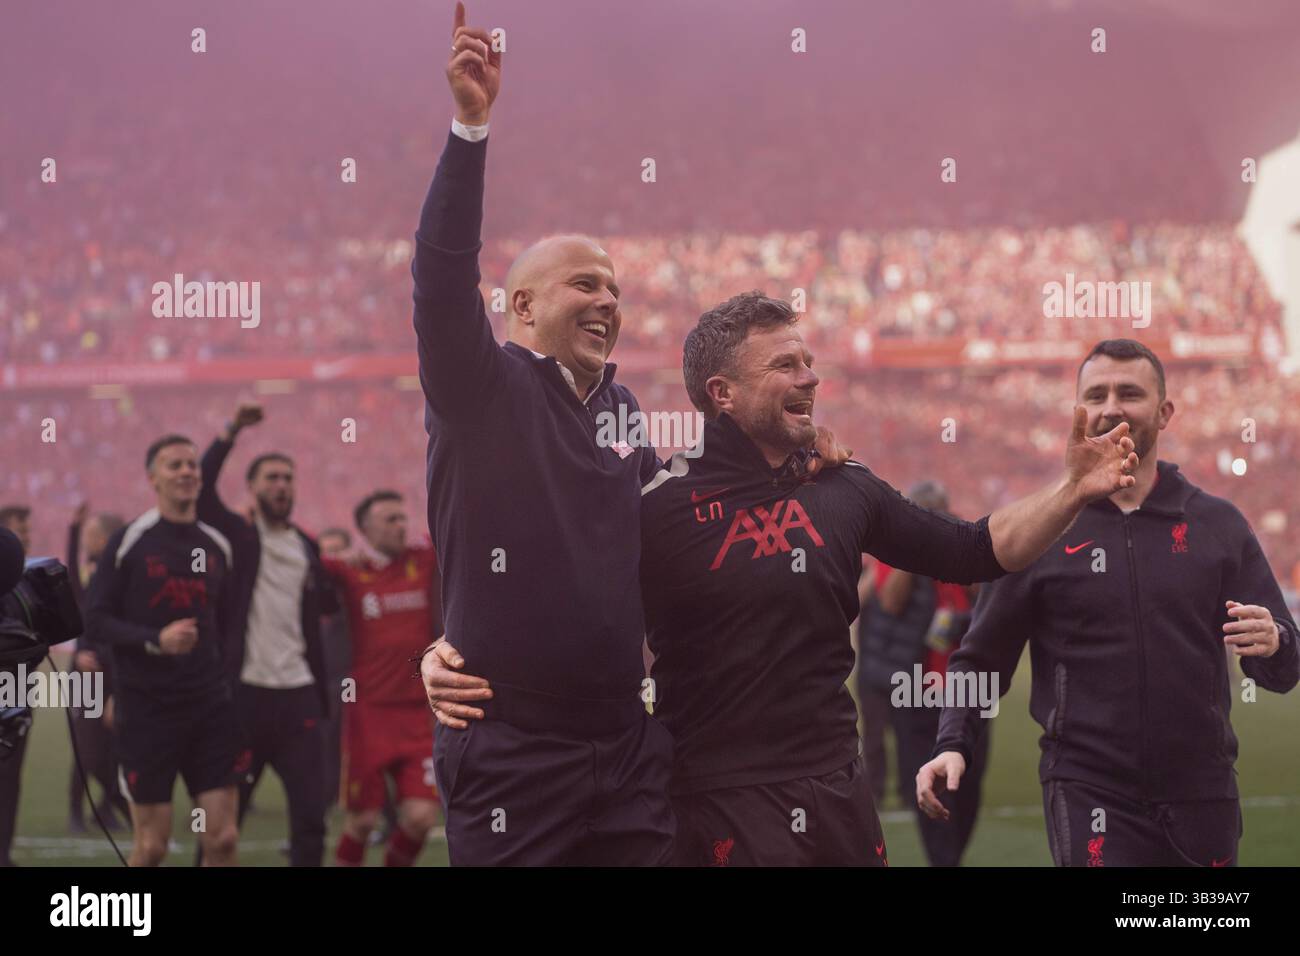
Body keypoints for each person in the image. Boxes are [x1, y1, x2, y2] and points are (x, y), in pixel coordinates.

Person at [426, 292, 1139, 866]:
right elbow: (552, 587)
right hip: (715, 803)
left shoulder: (844, 486)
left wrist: (1072, 491)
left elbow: (975, 549)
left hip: (838, 790)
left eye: (807, 361)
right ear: (723, 393)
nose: (810, 378)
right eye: (785, 366)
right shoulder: (658, 504)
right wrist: (448, 648)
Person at [917, 339, 1300, 867]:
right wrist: (952, 741)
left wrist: (1276, 641)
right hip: (1088, 788)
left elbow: (1281, 668)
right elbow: (981, 657)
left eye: (1130, 393)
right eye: (1096, 394)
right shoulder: (1040, 529)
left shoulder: (1218, 525)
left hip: (1202, 790)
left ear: (1164, 412)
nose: (1112, 406)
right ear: (1078, 410)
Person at [85, 435, 241, 866]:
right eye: (174, 465)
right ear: (152, 477)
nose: (187, 472)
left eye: (192, 465)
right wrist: (156, 640)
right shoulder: (129, 541)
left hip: (209, 707)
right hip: (148, 709)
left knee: (223, 838)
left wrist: (225, 685)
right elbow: (94, 619)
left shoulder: (216, 544)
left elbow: (229, 627)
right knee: (152, 847)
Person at [197, 402, 335, 867]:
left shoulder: (307, 547)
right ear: (252, 488)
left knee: (312, 819)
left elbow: (324, 611)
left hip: (298, 699)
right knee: (221, 824)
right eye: (271, 478)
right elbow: (201, 493)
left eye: (287, 478)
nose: (280, 486)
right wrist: (231, 429)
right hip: (243, 699)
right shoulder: (237, 536)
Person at [858, 481, 988, 866]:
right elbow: (890, 601)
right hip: (917, 690)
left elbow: (985, 594)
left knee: (970, 783)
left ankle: (950, 856)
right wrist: (914, 550)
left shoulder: (962, 549)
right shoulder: (895, 555)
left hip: (968, 688)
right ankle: (942, 860)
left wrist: (960, 553)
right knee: (927, 779)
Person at [322, 491, 443, 866]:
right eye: (389, 520)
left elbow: (456, 531)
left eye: (401, 517)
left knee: (422, 818)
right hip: (368, 713)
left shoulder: (423, 559)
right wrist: (336, 555)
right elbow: (305, 562)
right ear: (365, 529)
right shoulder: (348, 570)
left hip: (417, 712)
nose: (400, 526)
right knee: (362, 822)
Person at [65, 503, 129, 834]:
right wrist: (80, 654)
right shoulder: (94, 576)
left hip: (112, 675)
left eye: (91, 535)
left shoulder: (120, 578)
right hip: (84, 678)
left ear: (106, 540)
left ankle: (104, 810)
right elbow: (74, 590)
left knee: (112, 750)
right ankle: (80, 810)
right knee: (87, 749)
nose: (88, 542)